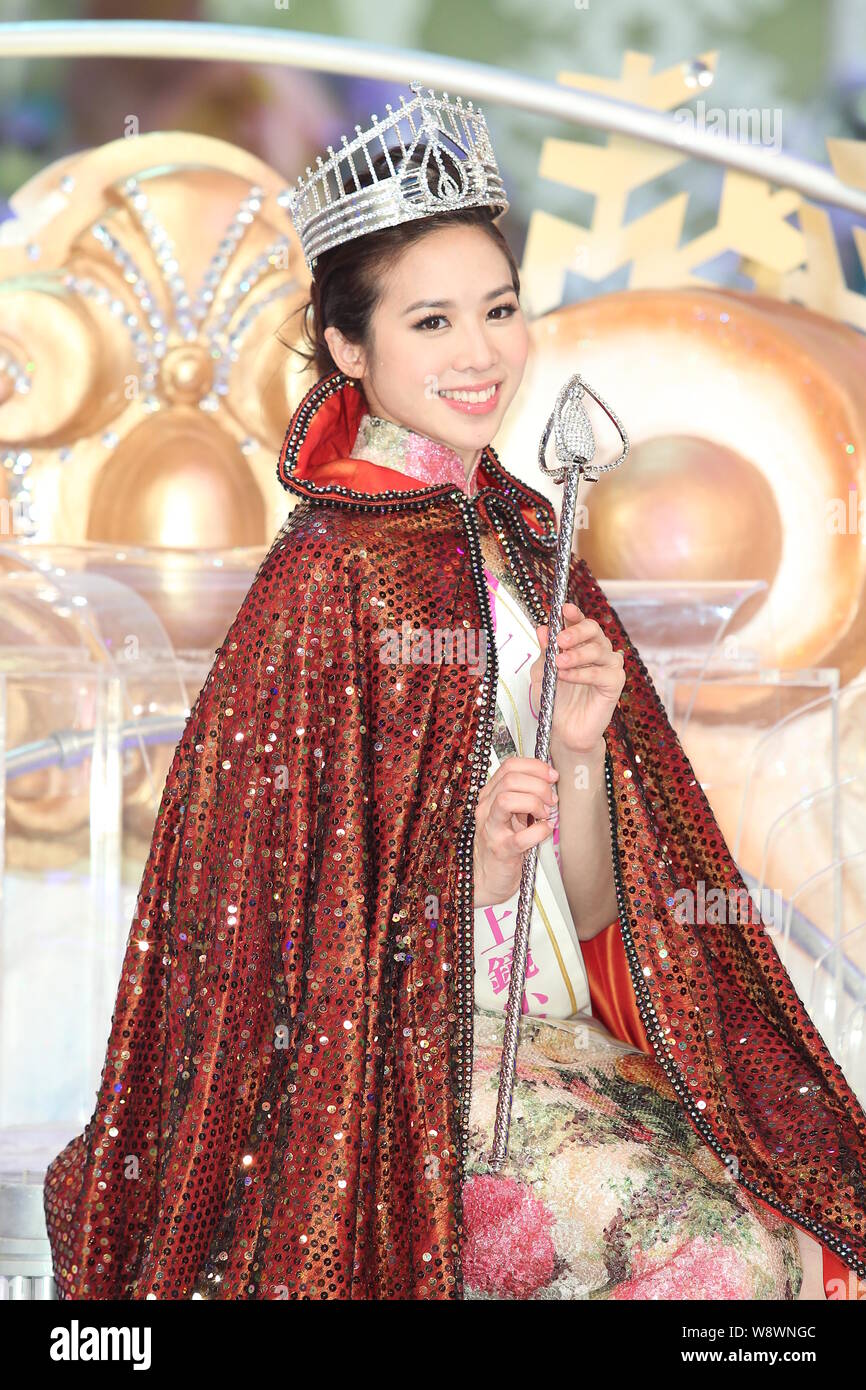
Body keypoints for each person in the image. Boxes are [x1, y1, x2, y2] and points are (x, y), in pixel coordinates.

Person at [43, 84, 865, 1301]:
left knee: (819, 1215)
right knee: (722, 1266)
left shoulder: (527, 533)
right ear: (348, 349)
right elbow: (277, 945)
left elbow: (595, 903)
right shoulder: (325, 582)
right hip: (392, 1076)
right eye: (430, 321)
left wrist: (582, 753)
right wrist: (470, 865)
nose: (479, 352)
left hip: (552, 1043)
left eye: (497, 308)